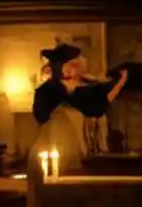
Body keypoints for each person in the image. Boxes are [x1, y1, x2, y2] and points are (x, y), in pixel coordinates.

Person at [30, 43, 128, 173]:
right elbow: (40, 114)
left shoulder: (84, 88)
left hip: (80, 148)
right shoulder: (50, 90)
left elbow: (99, 103)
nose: (75, 71)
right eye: (72, 66)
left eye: (77, 67)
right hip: (55, 146)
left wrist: (120, 83)